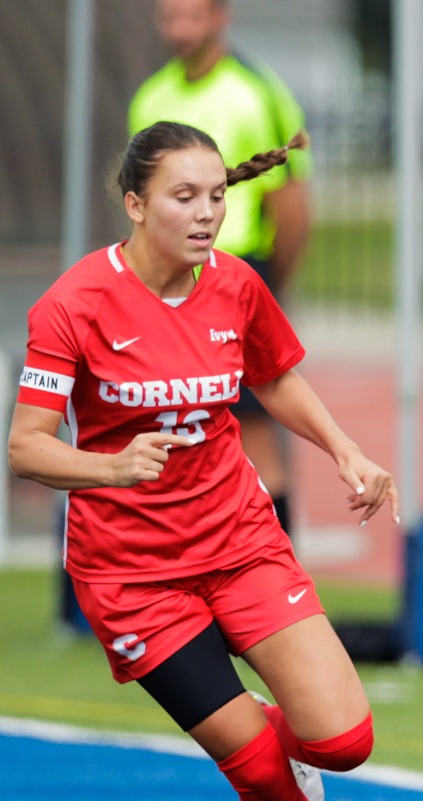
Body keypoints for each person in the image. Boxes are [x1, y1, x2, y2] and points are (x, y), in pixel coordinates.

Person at [7, 122, 401, 801]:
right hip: (132, 576)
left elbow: (275, 377)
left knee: (345, 742)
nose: (207, 214)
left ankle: (272, 734)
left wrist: (346, 450)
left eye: (217, 196)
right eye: (185, 197)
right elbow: (26, 445)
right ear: (134, 203)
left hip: (239, 539)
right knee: (256, 765)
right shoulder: (73, 303)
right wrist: (110, 469)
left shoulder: (235, 285)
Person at [130, 0, 312, 534]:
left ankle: (277, 581)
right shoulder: (151, 98)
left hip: (234, 279)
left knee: (255, 440)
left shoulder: (255, 93)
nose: (179, 30)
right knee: (167, 433)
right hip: (165, 289)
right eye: (168, 17)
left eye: (191, 17)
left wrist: (265, 290)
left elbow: (293, 210)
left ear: (219, 18)